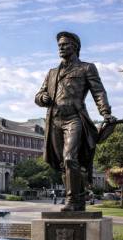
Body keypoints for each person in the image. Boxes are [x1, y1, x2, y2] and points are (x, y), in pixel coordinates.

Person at [35, 32, 117, 212]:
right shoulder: (52, 72)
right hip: (54, 120)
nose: (61, 48)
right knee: (61, 164)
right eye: (59, 45)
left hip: (74, 118)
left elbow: (98, 92)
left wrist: (105, 112)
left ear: (75, 47)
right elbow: (38, 95)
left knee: (70, 158)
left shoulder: (86, 68)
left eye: (65, 44)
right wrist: (43, 98)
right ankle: (78, 199)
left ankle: (72, 200)